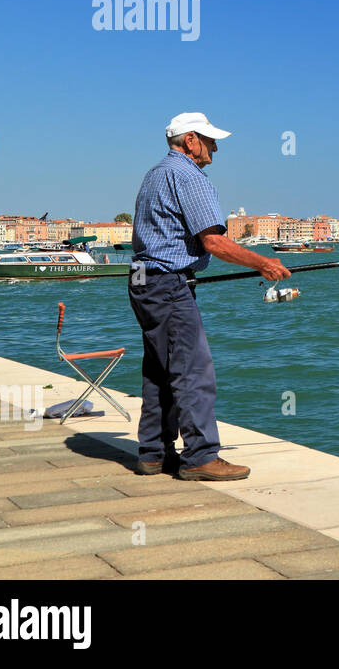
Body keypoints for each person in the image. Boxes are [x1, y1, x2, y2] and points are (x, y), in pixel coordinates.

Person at [128, 112, 290, 480]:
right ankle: (201, 457)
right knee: (192, 369)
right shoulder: (188, 176)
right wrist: (263, 264)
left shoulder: (154, 174)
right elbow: (213, 241)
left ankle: (153, 453)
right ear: (190, 141)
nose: (215, 147)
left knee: (159, 368)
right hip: (166, 282)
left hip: (141, 279)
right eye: (210, 140)